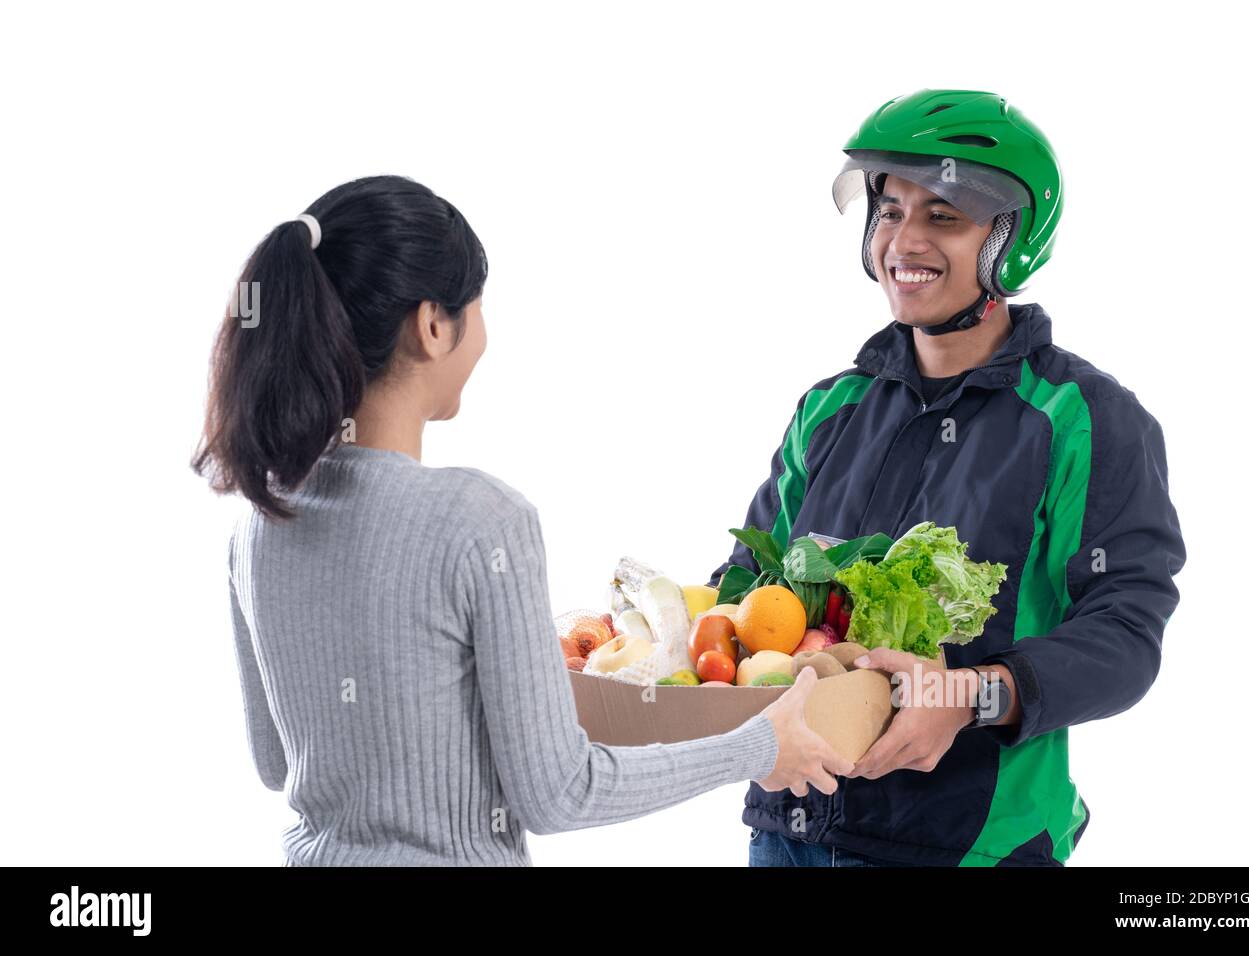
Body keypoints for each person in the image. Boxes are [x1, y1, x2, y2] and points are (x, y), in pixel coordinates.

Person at [192, 175, 853, 866]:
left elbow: (278, 762)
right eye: (476, 309)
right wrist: (761, 745)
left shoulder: (258, 524)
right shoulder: (478, 519)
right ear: (432, 325)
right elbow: (560, 793)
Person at [708, 89, 1186, 867]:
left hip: (966, 844)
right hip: (787, 826)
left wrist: (970, 697)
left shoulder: (1080, 419)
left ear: (1009, 242)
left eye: (943, 216)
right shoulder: (831, 408)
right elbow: (752, 584)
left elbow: (1125, 636)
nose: (905, 239)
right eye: (890, 210)